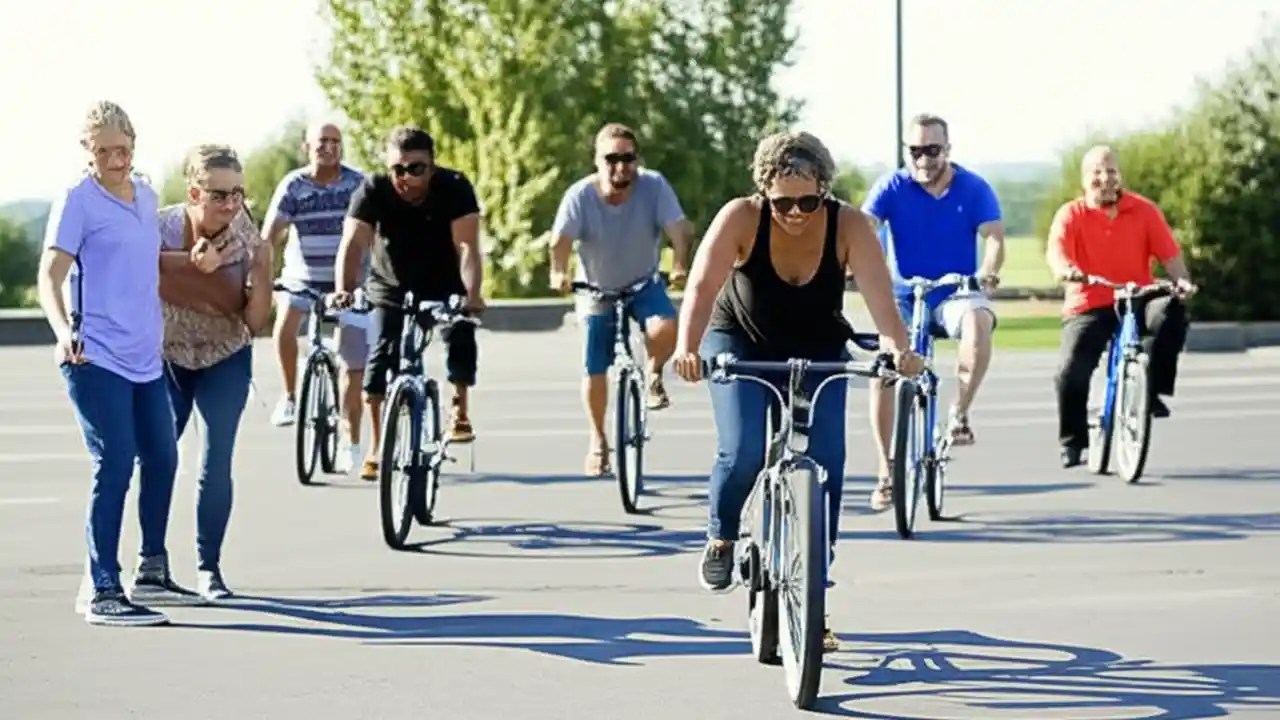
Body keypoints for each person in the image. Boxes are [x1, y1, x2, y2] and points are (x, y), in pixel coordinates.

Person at [670, 131, 924, 650]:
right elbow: (700, 285)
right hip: (741, 341)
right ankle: (722, 536)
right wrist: (687, 347)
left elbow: (880, 296)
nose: (796, 212)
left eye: (809, 200)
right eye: (783, 202)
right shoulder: (741, 218)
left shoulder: (848, 224)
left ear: (825, 190)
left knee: (828, 461)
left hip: (818, 345)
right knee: (742, 450)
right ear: (763, 192)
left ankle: (814, 597)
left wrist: (900, 350)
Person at [36, 101, 180, 626]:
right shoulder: (77, 200)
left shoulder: (145, 195)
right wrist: (63, 331)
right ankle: (101, 588)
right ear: (86, 151)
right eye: (103, 152)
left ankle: (153, 571)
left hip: (145, 356)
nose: (115, 161)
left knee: (163, 458)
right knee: (115, 462)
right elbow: (49, 276)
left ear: (134, 145)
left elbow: (148, 267)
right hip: (93, 353)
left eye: (122, 150)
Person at [860, 113, 1005, 511]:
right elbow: (865, 226)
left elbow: (993, 238)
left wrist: (987, 272)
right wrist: (853, 261)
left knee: (978, 319)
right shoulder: (892, 185)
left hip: (954, 292)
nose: (924, 158)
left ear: (947, 150)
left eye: (933, 150)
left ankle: (959, 412)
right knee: (884, 372)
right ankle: (886, 470)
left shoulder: (973, 188)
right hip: (904, 295)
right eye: (916, 150)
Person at [331, 126, 484, 479]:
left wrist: (472, 296)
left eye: (415, 168)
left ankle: (459, 409)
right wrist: (343, 288)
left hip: (444, 280)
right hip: (390, 285)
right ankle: (378, 445)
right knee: (382, 350)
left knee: (460, 330)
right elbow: (353, 245)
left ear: (431, 166)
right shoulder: (373, 189)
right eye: (397, 169)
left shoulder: (455, 187)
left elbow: (467, 249)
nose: (405, 177)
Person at [154, 144, 273, 600]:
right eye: (219, 195)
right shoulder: (161, 227)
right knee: (160, 456)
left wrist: (262, 271)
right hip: (167, 355)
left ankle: (210, 569)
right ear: (194, 192)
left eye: (238, 194)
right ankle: (152, 563)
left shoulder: (245, 235)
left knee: (215, 460)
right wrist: (189, 264)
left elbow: (256, 321)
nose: (230, 205)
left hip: (225, 353)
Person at [549, 122, 694, 476]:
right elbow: (560, 242)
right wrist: (558, 272)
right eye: (611, 159)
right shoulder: (580, 195)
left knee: (665, 327)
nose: (620, 168)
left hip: (643, 282)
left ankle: (654, 374)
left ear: (636, 160)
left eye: (627, 159)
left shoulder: (653, 186)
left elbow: (678, 227)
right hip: (597, 289)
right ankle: (598, 440)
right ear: (597, 161)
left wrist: (678, 263)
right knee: (594, 365)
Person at [1045, 144, 1196, 468]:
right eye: (1097, 172)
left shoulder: (1144, 211)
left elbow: (1170, 257)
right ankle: (1073, 441)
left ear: (1120, 175)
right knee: (1070, 371)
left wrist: (1181, 282)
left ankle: (1151, 390)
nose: (1106, 178)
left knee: (1171, 310)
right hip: (1091, 300)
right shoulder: (1071, 214)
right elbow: (1056, 253)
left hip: (1136, 297)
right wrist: (1066, 271)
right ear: (1085, 180)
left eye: (1111, 171)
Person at [260, 122, 369, 473]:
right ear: (307, 147)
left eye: (335, 142)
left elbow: (377, 231)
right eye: (322, 141)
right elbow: (271, 234)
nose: (329, 147)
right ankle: (291, 396)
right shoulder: (295, 185)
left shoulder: (358, 184)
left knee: (353, 361)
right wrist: (262, 275)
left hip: (347, 284)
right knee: (287, 323)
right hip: (303, 278)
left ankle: (350, 441)